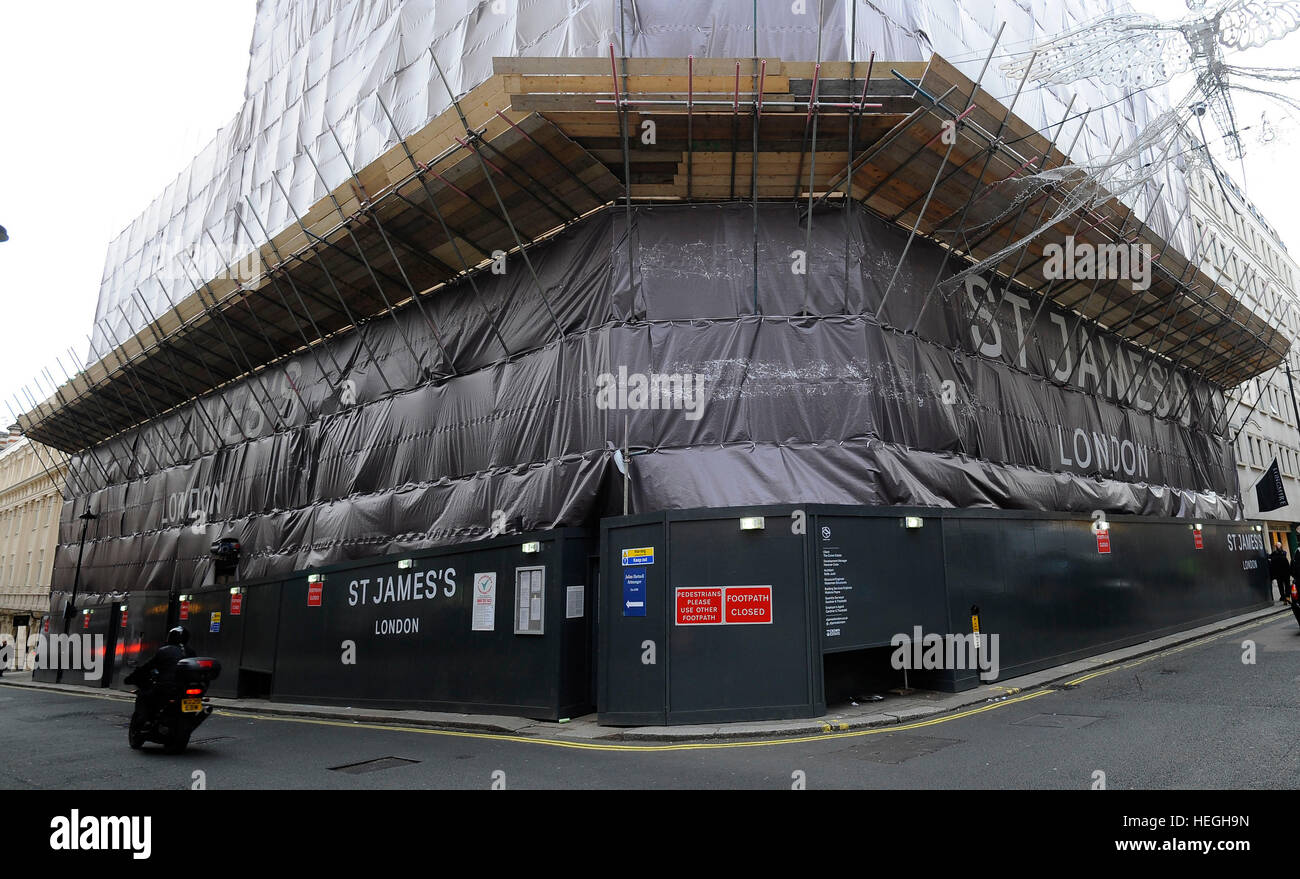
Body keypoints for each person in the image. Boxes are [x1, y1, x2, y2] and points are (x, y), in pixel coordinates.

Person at [125, 626, 195, 723]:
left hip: (167, 686)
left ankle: (143, 722)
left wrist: (131, 678)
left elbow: (147, 667)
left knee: (143, 696)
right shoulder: (191, 652)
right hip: (184, 687)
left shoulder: (164, 650)